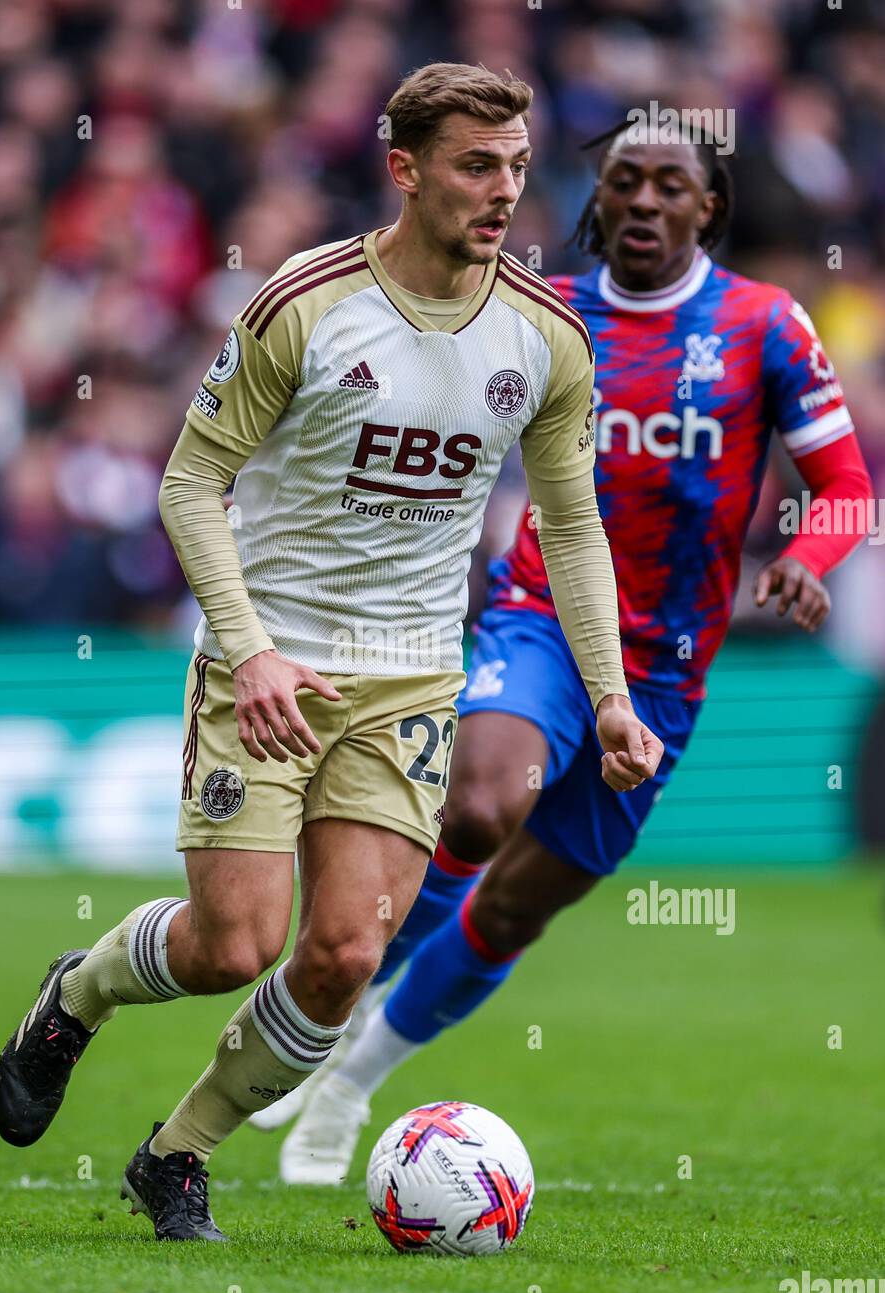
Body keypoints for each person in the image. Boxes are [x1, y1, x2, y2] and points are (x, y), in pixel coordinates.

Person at [0, 65, 663, 1240]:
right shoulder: (304, 303)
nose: (504, 190)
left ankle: (177, 1153)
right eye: (474, 165)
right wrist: (245, 651)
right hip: (274, 660)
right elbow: (192, 482)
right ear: (404, 169)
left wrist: (607, 695)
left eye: (515, 165)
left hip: (413, 675)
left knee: (345, 951)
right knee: (229, 945)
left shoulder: (547, 336)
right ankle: (78, 992)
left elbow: (568, 521)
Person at [269, 118, 874, 1184]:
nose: (643, 200)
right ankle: (340, 987)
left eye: (669, 185)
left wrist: (812, 562)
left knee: (512, 906)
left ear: (708, 208)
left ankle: (355, 1077)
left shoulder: (764, 326)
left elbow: (846, 489)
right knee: (478, 801)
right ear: (597, 200)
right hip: (540, 615)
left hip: (666, 669)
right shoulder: (539, 313)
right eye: (623, 181)